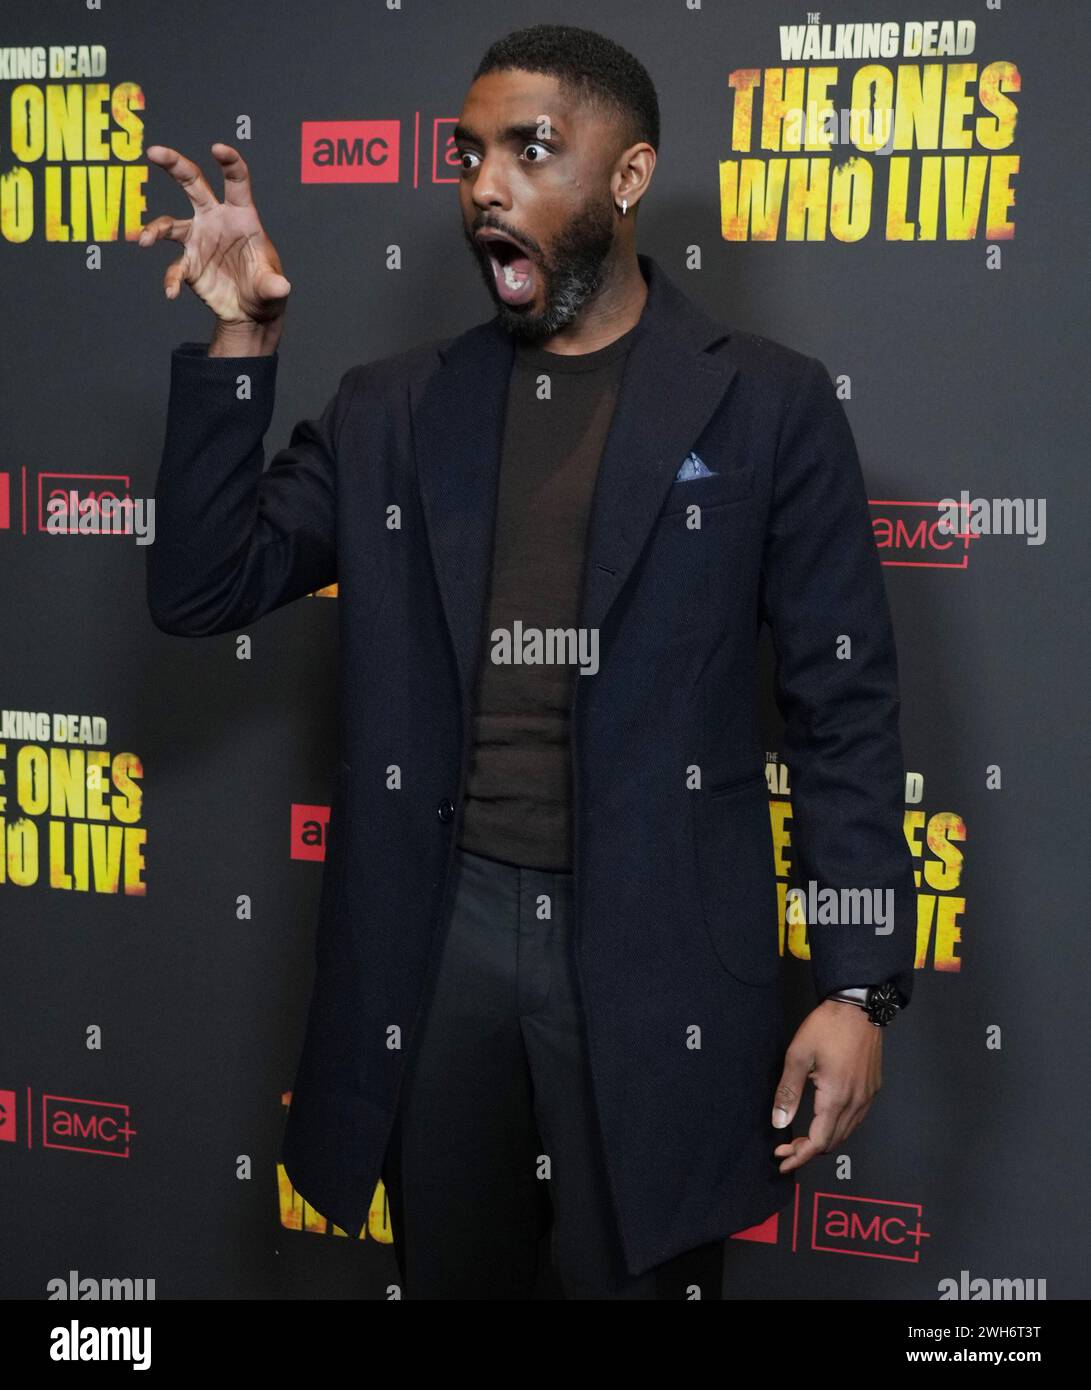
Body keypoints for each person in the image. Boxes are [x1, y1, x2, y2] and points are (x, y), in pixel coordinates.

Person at [142, 23, 917, 1299]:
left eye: (529, 150)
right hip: (439, 941)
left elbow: (844, 708)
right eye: (468, 155)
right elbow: (201, 587)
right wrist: (243, 344)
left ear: (626, 177)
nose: (483, 184)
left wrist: (856, 984)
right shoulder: (392, 408)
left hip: (660, 950)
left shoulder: (768, 405)